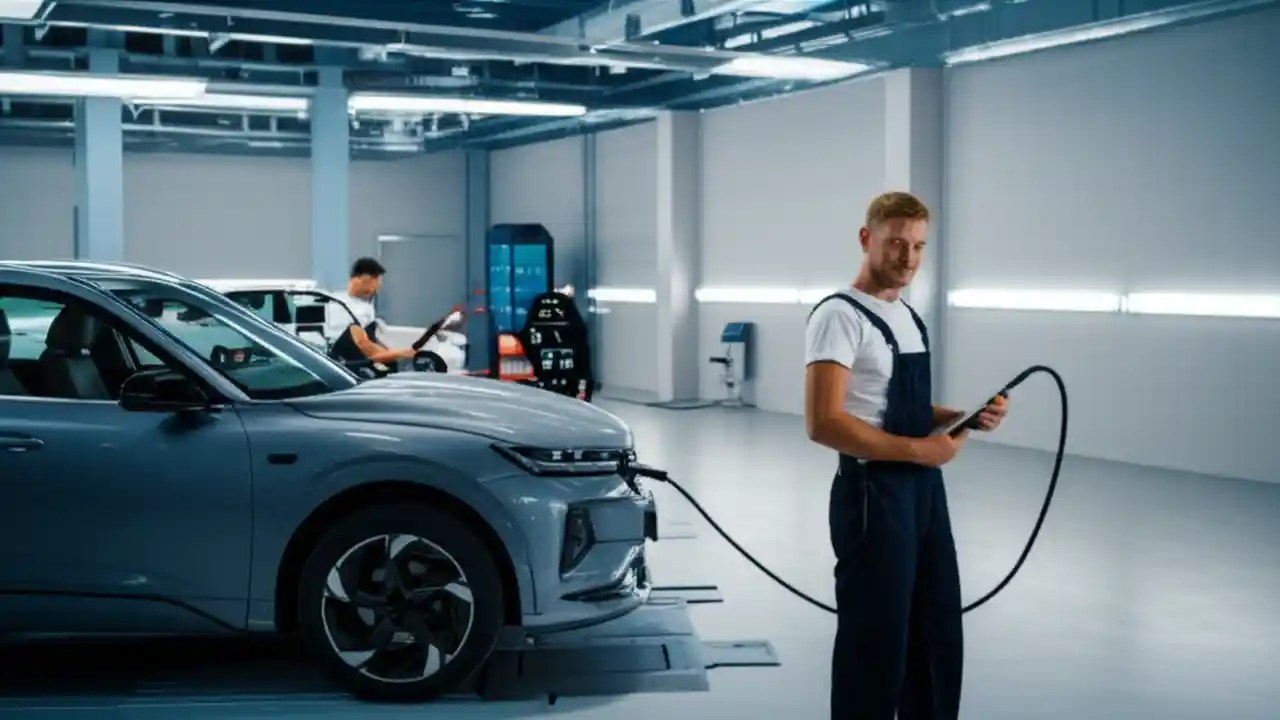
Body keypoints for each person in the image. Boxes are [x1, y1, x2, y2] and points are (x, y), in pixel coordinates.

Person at [804, 191, 1008, 719]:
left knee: (935, 628)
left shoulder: (908, 316)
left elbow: (891, 404)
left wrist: (958, 417)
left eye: (918, 246)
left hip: (922, 493)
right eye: (896, 242)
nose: (908, 257)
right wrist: (921, 450)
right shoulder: (838, 316)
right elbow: (824, 422)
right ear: (866, 238)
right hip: (872, 496)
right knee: (875, 642)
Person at [325, 257, 418, 366]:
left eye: (377, 280)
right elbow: (365, 347)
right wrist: (402, 353)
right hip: (344, 364)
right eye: (373, 278)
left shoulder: (366, 308)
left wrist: (394, 354)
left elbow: (371, 344)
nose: (376, 284)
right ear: (358, 278)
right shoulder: (338, 303)